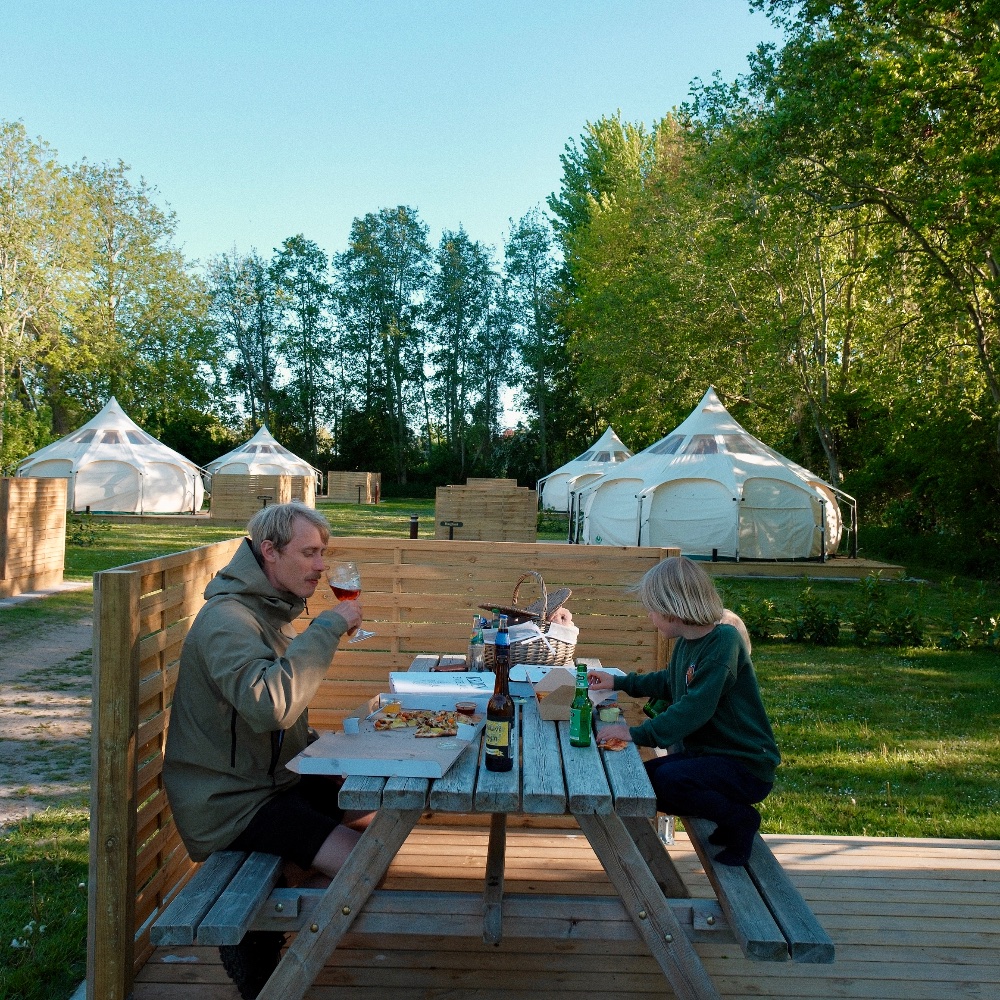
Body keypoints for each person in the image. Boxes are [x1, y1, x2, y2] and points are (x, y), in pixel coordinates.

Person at [163, 502, 365, 997]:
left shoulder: (267, 609)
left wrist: (323, 750)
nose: (321, 565)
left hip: (273, 782)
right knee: (365, 866)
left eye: (324, 553)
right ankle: (261, 933)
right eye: (310, 553)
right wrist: (328, 627)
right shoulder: (229, 620)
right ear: (269, 552)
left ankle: (280, 883)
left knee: (374, 797)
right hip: (231, 804)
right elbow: (272, 706)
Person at [589, 556, 779, 866]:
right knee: (645, 780)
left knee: (666, 783)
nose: (650, 616)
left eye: (652, 609)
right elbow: (670, 680)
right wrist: (620, 681)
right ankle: (728, 816)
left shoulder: (723, 642)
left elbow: (694, 710)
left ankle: (740, 819)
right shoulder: (690, 642)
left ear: (672, 608)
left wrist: (636, 734)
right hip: (711, 755)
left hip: (745, 764)